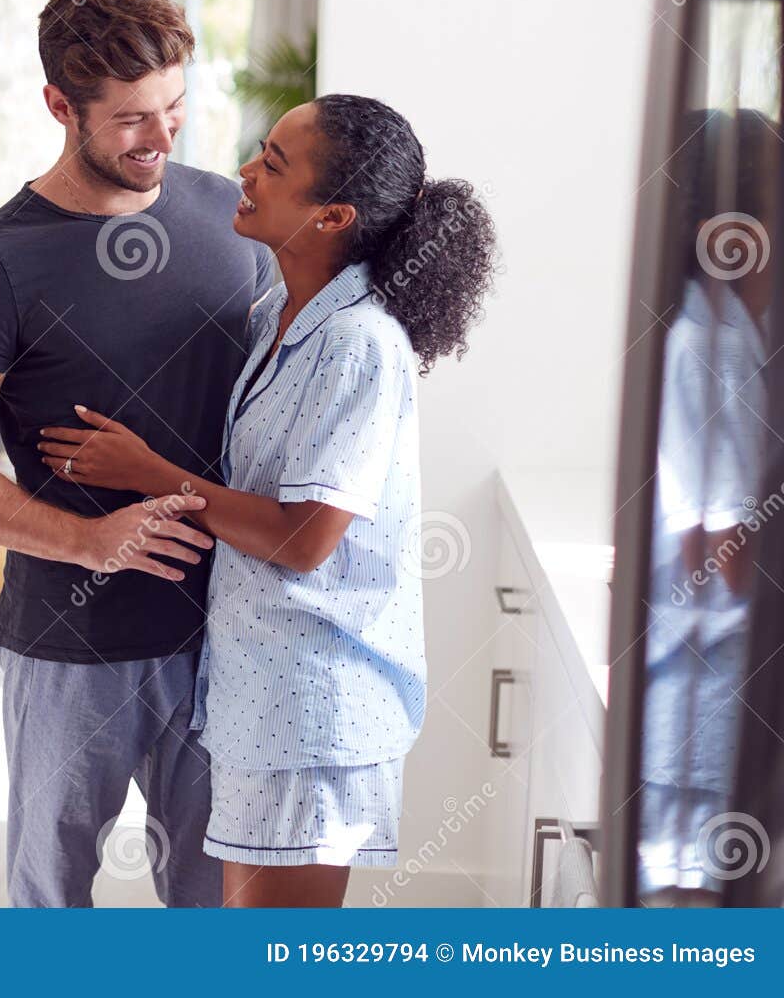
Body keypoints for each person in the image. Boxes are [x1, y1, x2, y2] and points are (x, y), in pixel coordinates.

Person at [36, 94, 497, 906]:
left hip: (315, 711)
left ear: (332, 216)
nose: (244, 171)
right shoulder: (281, 316)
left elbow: (304, 539)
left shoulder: (357, 344)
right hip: (265, 700)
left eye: (275, 165)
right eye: (260, 151)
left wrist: (148, 472)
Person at [0, 0, 277, 907]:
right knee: (51, 895)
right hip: (71, 644)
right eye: (133, 118)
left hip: (226, 634)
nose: (162, 136)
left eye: (176, 107)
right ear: (60, 103)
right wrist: (91, 539)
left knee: (210, 898)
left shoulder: (228, 217)